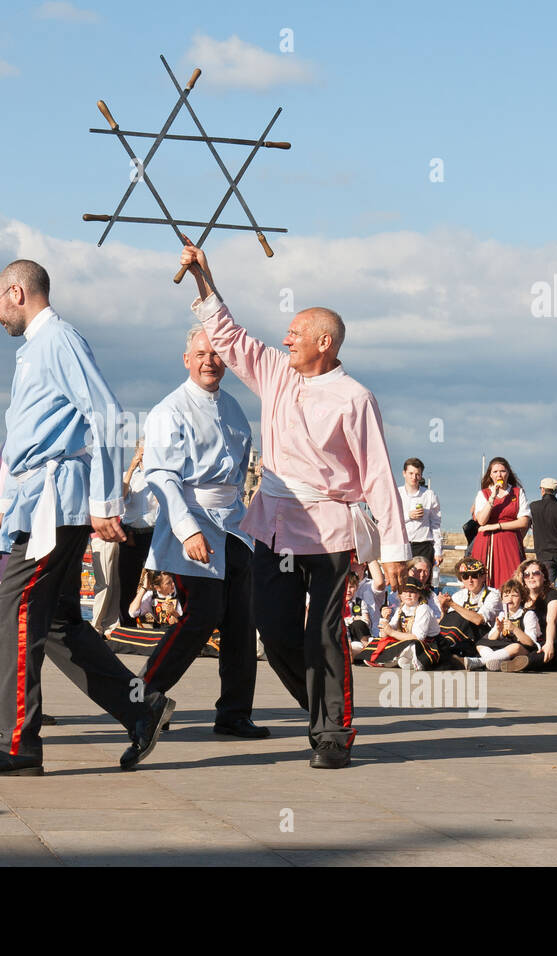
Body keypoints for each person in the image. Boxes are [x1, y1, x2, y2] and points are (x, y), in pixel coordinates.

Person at [177, 242, 409, 771]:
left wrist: (393, 547)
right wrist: (203, 280)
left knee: (324, 633)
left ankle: (332, 732)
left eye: (296, 333)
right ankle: (319, 708)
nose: (286, 339)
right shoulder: (276, 373)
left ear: (323, 342)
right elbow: (230, 337)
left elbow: (377, 473)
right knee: (275, 628)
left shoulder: (356, 397)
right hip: (271, 523)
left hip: (329, 530)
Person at [0, 259, 173, 776]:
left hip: (56, 502)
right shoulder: (35, 349)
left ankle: (17, 744)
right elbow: (23, 435)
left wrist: (104, 502)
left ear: (17, 291)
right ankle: (140, 707)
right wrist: (1, 506)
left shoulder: (58, 340)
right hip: (37, 499)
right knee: (56, 621)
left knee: (16, 613)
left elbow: (107, 413)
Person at [136, 325, 265, 738]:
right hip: (192, 522)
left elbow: (243, 469)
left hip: (236, 526)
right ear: (186, 359)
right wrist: (188, 529)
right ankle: (140, 699)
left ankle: (234, 712)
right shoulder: (168, 410)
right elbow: (161, 476)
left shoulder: (233, 407)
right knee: (201, 615)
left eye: (217, 354)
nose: (210, 361)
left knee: (242, 622)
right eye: (201, 353)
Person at [468, 457, 531, 589]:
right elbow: (482, 520)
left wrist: (498, 526)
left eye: (502, 471)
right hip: (486, 543)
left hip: (509, 542)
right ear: (490, 475)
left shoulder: (518, 493)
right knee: (483, 579)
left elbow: (524, 521)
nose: (499, 475)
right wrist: (492, 497)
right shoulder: (483, 494)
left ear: (508, 473)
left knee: (511, 579)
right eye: (495, 472)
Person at [116, 441, 157, 628]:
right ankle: (127, 624)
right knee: (127, 579)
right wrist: (132, 468)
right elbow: (121, 497)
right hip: (131, 534)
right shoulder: (128, 476)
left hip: (152, 533)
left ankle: (156, 621)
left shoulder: (158, 476)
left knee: (155, 578)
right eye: (142, 450)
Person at [469, 579, 539, 672]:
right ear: (502, 599)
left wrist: (514, 629)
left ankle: (481, 661)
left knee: (515, 647)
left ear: (521, 598)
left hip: (523, 649)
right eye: (506, 596)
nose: (510, 599)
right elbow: (491, 638)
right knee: (480, 644)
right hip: (505, 648)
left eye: (514, 596)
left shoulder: (528, 614)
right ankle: (496, 663)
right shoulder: (503, 614)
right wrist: (498, 629)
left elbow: (530, 642)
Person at [519, 558, 557, 672]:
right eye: (527, 575)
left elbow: (551, 622)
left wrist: (549, 644)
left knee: (535, 657)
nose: (531, 577)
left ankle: (515, 663)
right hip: (529, 644)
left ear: (544, 577)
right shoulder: (521, 599)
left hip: (552, 646)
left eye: (536, 573)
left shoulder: (553, 595)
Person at [399, 458, 443, 571]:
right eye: (411, 473)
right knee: (402, 585)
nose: (414, 477)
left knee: (423, 585)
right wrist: (409, 516)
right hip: (402, 546)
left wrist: (438, 551)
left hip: (424, 546)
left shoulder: (429, 495)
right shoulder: (396, 494)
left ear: (421, 475)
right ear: (404, 473)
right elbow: (390, 520)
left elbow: (436, 525)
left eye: (417, 474)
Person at [530, 477, 557, 584]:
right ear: (556, 491)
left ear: (542, 490)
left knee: (547, 583)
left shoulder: (533, 507)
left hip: (544, 554)